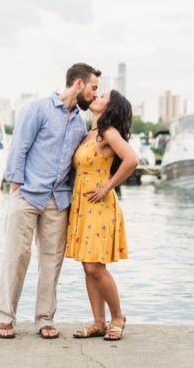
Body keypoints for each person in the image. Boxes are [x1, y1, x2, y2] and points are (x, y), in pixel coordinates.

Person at [0, 63, 101, 340]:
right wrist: (16, 187)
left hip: (58, 200)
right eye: (93, 88)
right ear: (79, 83)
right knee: (16, 257)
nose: (94, 94)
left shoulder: (79, 122)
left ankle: (45, 319)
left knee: (52, 262)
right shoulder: (37, 109)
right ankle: (6, 318)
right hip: (28, 194)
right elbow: (19, 148)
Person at [65, 89, 138, 341]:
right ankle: (98, 322)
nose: (96, 96)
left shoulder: (108, 132)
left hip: (100, 205)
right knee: (88, 266)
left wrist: (107, 187)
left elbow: (131, 159)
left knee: (95, 266)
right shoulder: (89, 134)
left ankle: (117, 317)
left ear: (110, 107)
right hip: (83, 205)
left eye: (103, 96)